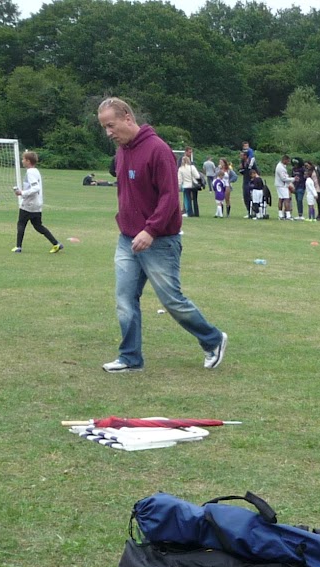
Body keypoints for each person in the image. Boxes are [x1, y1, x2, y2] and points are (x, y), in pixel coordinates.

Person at [96, 97, 228, 374]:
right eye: (104, 127)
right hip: (127, 239)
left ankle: (213, 339)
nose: (108, 132)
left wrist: (150, 230)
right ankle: (130, 357)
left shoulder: (158, 150)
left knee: (171, 300)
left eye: (111, 125)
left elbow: (170, 199)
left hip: (160, 240)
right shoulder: (121, 151)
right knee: (125, 299)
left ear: (128, 118)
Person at [11, 151, 62, 254]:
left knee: (21, 223)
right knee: (38, 226)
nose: (22, 161)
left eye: (23, 159)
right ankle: (56, 243)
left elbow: (35, 188)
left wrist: (22, 193)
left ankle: (18, 247)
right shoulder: (36, 171)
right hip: (37, 204)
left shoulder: (30, 172)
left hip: (29, 203)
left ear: (28, 161)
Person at [177, 146, 201, 218]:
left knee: (187, 199)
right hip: (194, 184)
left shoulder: (181, 169)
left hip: (186, 185)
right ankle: (196, 212)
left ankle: (189, 212)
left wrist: (179, 185)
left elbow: (180, 179)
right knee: (194, 200)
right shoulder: (192, 167)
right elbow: (197, 176)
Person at [274, 155, 293, 220]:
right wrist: (293, 179)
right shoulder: (280, 167)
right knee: (286, 199)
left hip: (280, 185)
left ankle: (280, 215)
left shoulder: (281, 166)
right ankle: (288, 215)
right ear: (284, 160)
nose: (288, 162)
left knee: (281, 199)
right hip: (282, 185)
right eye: (288, 161)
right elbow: (284, 178)